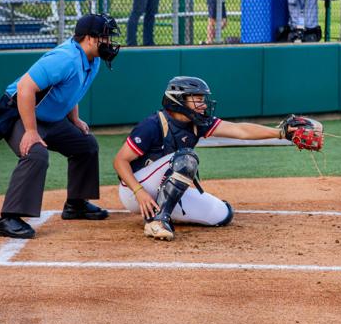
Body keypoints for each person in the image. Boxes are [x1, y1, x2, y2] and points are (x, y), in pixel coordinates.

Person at [113, 76, 308, 241]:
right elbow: (119, 161)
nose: (203, 104)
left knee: (222, 214)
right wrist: (139, 191)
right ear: (179, 100)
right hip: (134, 190)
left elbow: (239, 130)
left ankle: (161, 210)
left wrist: (281, 133)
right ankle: (157, 221)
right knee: (186, 158)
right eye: (197, 99)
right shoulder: (153, 125)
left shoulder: (198, 123)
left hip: (159, 191)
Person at [0, 14, 121, 239]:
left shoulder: (94, 60)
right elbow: (25, 88)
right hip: (18, 113)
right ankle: (9, 218)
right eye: (105, 37)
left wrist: (74, 119)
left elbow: (70, 91)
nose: (109, 42)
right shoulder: (65, 58)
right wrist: (31, 132)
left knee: (86, 144)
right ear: (90, 39)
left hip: (50, 118)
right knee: (35, 153)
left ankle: (76, 204)